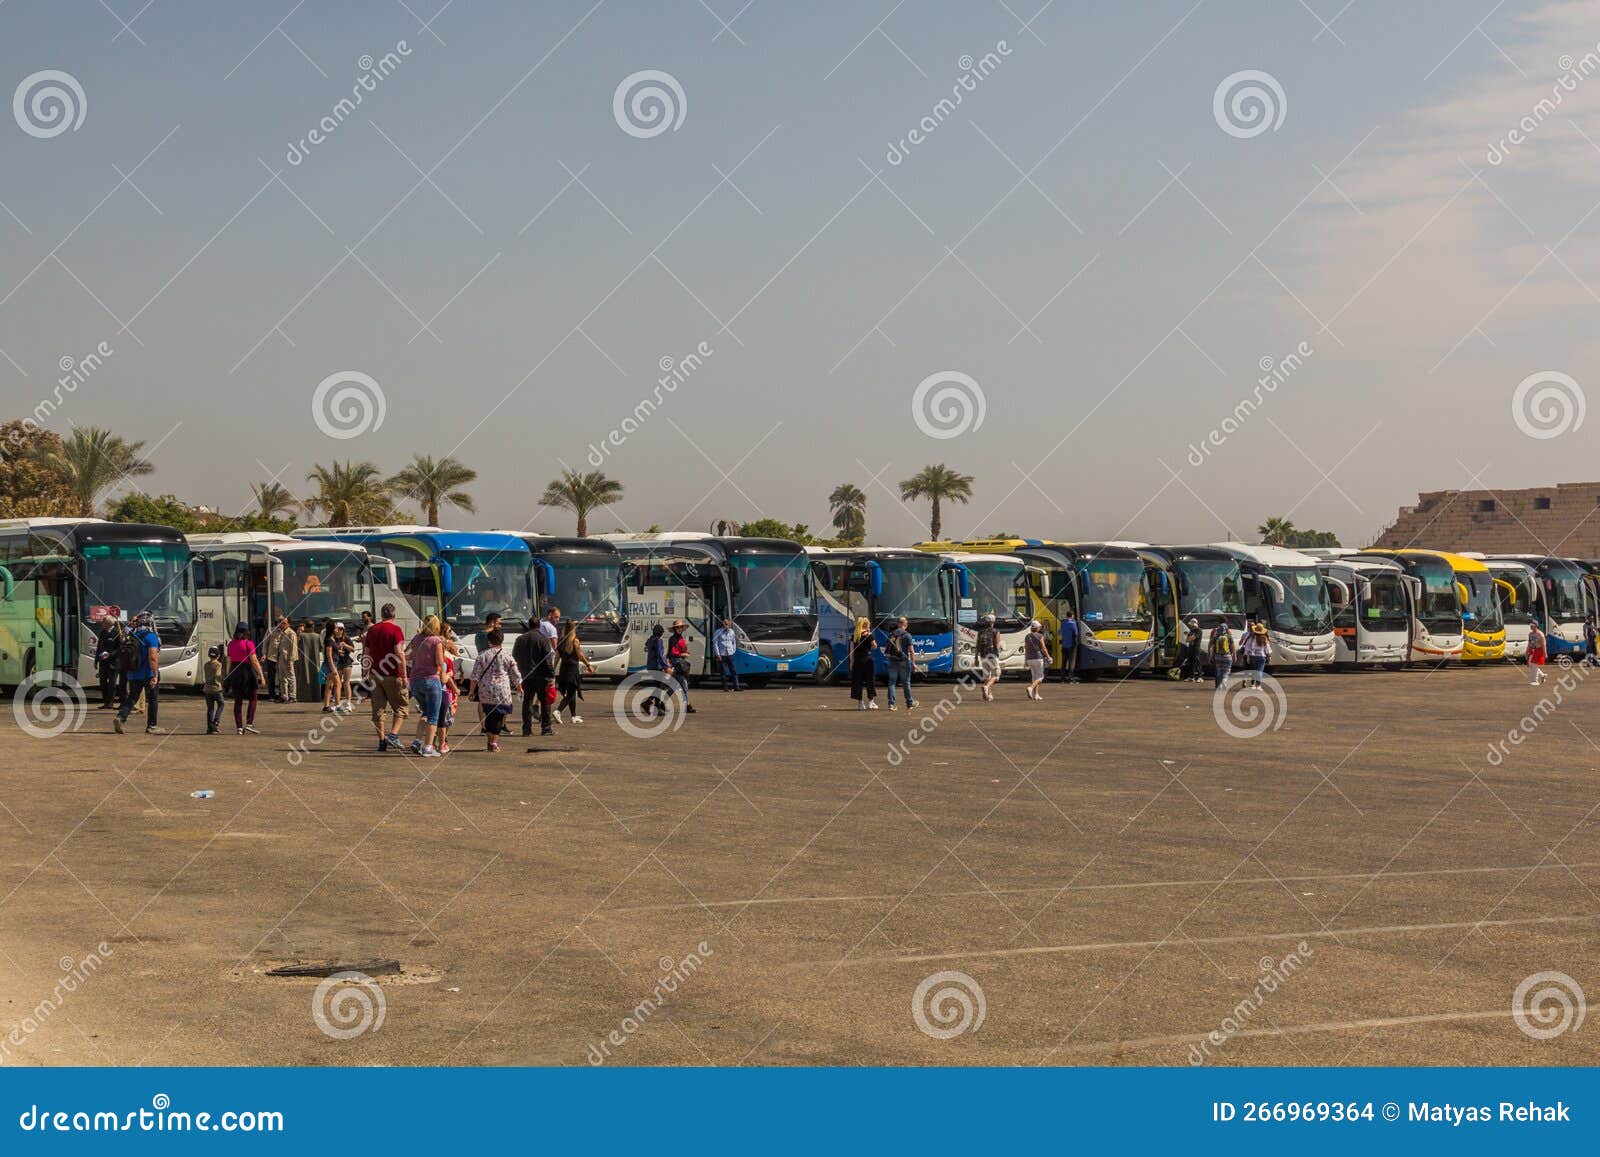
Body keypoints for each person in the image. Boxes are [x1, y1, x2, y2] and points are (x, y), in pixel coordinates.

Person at [364, 603, 409, 751]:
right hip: (392, 674)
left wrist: (366, 672)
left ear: (381, 615)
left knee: (378, 710)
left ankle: (382, 741)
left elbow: (366, 653)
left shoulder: (372, 630)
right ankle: (393, 735)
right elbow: (399, 652)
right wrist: (404, 674)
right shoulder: (396, 630)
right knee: (401, 706)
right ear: (394, 615)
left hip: (375, 675)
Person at [113, 612, 164, 735]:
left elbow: (122, 640)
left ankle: (121, 717)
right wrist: (155, 675)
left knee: (132, 697)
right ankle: (152, 725)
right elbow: (153, 657)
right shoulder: (150, 636)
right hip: (148, 673)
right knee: (152, 699)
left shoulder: (133, 635)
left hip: (133, 673)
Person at [469, 628, 520, 751]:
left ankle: (490, 740)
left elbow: (475, 676)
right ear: (502, 640)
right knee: (498, 716)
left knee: (489, 715)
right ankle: (494, 743)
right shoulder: (507, 656)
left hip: (485, 691)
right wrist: (520, 688)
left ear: (489, 641)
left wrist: (471, 691)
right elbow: (515, 674)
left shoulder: (482, 656)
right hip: (502, 691)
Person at [406, 615, 447, 757]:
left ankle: (417, 741)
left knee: (425, 712)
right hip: (431, 680)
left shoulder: (417, 638)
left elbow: (410, 655)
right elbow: (439, 662)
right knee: (433, 717)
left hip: (416, 681)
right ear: (436, 626)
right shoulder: (436, 641)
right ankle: (428, 747)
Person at [514, 617, 556, 736]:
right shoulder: (543, 639)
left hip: (525, 675)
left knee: (527, 701)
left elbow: (515, 657)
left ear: (529, 625)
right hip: (541, 676)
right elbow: (547, 660)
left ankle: (527, 729)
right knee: (545, 702)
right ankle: (546, 728)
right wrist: (551, 675)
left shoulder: (520, 639)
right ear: (539, 626)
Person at [225, 622, 265, 734]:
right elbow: (254, 661)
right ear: (247, 631)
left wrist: (228, 675)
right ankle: (249, 723)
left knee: (238, 701)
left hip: (235, 671)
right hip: (247, 672)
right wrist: (261, 675)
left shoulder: (231, 644)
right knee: (253, 698)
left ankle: (239, 728)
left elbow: (228, 660)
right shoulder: (249, 644)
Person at [555, 620, 595, 723]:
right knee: (571, 693)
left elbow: (557, 657)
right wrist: (588, 665)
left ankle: (573, 716)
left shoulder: (561, 640)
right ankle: (558, 711)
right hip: (572, 669)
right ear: (573, 629)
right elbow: (580, 655)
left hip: (563, 669)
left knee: (571, 692)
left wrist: (553, 668)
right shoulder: (574, 640)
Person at [436, 621, 461, 754]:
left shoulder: (434, 643)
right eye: (450, 631)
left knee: (438, 715)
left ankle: (438, 740)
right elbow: (457, 658)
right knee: (448, 716)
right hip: (448, 688)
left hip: (437, 685)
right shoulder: (448, 645)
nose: (451, 633)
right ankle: (443, 740)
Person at [261, 615, 299, 703]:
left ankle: (292, 696)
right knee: (282, 678)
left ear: (288, 624)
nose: (282, 624)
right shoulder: (276, 631)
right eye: (280, 622)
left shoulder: (291, 633)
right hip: (279, 657)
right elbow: (266, 642)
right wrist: (265, 654)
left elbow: (293, 648)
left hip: (287, 659)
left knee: (290, 677)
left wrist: (290, 660)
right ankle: (284, 696)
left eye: (284, 623)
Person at [884, 615, 917, 711]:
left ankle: (891, 704)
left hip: (892, 660)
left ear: (898, 624)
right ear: (906, 625)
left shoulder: (891, 634)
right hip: (903, 661)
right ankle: (909, 703)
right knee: (906, 683)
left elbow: (887, 648)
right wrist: (914, 663)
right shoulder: (907, 635)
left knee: (892, 682)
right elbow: (911, 651)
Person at [642, 623, 674, 717]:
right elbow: (660, 656)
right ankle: (647, 703)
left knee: (658, 686)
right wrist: (666, 667)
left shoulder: (651, 639)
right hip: (657, 666)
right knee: (660, 687)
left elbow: (647, 645)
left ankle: (656, 707)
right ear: (660, 633)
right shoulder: (658, 641)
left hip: (650, 666)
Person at [322, 622, 355, 714]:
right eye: (336, 628)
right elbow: (329, 655)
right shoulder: (330, 639)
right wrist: (333, 669)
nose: (338, 630)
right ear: (333, 630)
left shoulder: (332, 639)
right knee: (338, 684)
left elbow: (333, 652)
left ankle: (326, 706)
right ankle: (337, 705)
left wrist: (339, 650)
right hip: (332, 665)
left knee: (330, 685)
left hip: (335, 664)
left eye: (340, 628)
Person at [93, 614, 125, 708]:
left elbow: (119, 648)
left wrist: (110, 654)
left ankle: (110, 703)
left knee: (112, 684)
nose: (102, 624)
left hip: (113, 663)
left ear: (108, 624)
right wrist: (96, 660)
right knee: (103, 683)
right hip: (103, 662)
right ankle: (105, 702)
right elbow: (99, 647)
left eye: (103, 622)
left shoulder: (117, 632)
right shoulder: (102, 632)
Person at [848, 617, 879, 710]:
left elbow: (851, 651)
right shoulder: (869, 635)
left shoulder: (855, 636)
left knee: (858, 682)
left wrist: (851, 662)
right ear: (867, 625)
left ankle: (860, 704)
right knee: (870, 681)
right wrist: (870, 635)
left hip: (857, 661)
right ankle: (871, 702)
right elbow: (875, 646)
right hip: (868, 660)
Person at [667, 620, 696, 713]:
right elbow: (672, 652)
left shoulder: (680, 638)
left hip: (680, 663)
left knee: (673, 686)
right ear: (675, 629)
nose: (679, 629)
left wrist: (685, 653)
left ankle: (661, 702)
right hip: (677, 663)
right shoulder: (673, 639)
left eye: (680, 627)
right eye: (677, 627)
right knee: (684, 685)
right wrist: (683, 654)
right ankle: (687, 705)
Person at [976, 613, 1001, 701]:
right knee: (996, 675)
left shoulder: (980, 632)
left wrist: (976, 658)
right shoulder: (996, 631)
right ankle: (986, 687)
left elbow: (977, 645)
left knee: (987, 676)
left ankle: (987, 695)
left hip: (983, 656)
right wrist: (998, 654)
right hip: (992, 655)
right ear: (993, 622)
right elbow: (997, 645)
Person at [712, 617, 740, 691]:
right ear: (722, 624)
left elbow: (733, 642)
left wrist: (733, 651)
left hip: (730, 654)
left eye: (727, 624)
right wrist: (718, 654)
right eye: (724, 624)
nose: (726, 625)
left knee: (733, 671)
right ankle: (725, 687)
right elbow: (715, 643)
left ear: (729, 625)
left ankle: (736, 687)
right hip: (722, 654)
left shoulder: (732, 632)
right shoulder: (718, 632)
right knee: (723, 672)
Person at [202, 645, 226, 735]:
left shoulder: (205, 665)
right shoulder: (218, 665)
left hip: (207, 689)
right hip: (216, 688)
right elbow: (218, 675)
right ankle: (216, 721)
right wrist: (224, 680)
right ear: (218, 655)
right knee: (221, 704)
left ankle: (210, 728)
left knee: (210, 709)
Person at [296, 620, 321, 702]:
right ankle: (316, 697)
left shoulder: (302, 635)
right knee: (316, 678)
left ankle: (305, 697)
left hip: (304, 660)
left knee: (304, 678)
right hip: (315, 660)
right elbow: (321, 648)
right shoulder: (317, 636)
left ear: (306, 627)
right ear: (313, 626)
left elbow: (297, 647)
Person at [1240, 621, 1271, 688]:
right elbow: (1267, 649)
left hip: (1252, 656)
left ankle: (1253, 684)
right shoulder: (1264, 638)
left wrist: (1248, 656)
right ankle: (1258, 685)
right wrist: (1269, 656)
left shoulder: (1251, 638)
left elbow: (1248, 648)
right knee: (1259, 671)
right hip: (1261, 657)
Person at [1024, 619, 1048, 700]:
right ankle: (1030, 688)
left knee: (1034, 677)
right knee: (1040, 677)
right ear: (1037, 628)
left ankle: (1036, 694)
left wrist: (1025, 660)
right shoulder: (1040, 636)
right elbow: (1044, 648)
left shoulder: (1027, 636)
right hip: (1038, 658)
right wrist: (1048, 656)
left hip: (1029, 659)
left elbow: (1026, 649)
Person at [1209, 623, 1235, 688]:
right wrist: (1234, 656)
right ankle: (1223, 682)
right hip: (1227, 656)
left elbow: (1211, 647)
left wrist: (1210, 656)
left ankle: (1220, 685)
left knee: (1219, 671)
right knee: (1226, 671)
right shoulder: (1229, 637)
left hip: (1217, 657)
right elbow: (1233, 648)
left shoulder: (1215, 637)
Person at [1180, 618, 1204, 682]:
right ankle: (1191, 676)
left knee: (1196, 662)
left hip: (1196, 648)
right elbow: (1187, 640)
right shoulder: (1191, 631)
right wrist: (1191, 638)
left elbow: (1193, 638)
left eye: (1191, 625)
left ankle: (1200, 677)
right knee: (1190, 662)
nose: (1190, 626)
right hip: (1190, 648)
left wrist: (1191, 638)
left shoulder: (1198, 631)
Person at [1058, 611, 1080, 683]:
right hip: (1071, 646)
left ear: (1067, 615)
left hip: (1064, 645)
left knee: (1063, 663)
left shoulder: (1063, 623)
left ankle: (1062, 679)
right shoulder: (1073, 623)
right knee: (1071, 662)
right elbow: (1076, 633)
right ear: (1072, 616)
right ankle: (1070, 678)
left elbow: (1059, 633)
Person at [1528, 621, 1549, 685]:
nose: (1531, 627)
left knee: (1534, 665)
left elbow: (1543, 644)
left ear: (1536, 626)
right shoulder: (1530, 634)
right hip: (1532, 650)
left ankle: (1535, 681)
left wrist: (1545, 653)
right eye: (1530, 625)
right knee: (1530, 664)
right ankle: (1543, 675)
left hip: (1538, 650)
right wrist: (1527, 652)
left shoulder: (1540, 634)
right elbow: (1529, 643)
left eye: (1532, 626)